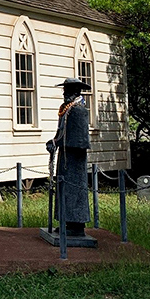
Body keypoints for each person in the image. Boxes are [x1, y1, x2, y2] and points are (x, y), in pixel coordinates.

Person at [46, 77, 91, 237]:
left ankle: (77, 225)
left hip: (75, 160)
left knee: (75, 190)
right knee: (64, 189)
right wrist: (54, 142)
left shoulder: (79, 110)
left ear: (76, 92)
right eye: (65, 90)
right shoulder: (66, 109)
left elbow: (81, 140)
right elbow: (62, 132)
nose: (65, 93)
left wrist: (60, 143)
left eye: (68, 90)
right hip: (65, 157)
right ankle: (67, 220)